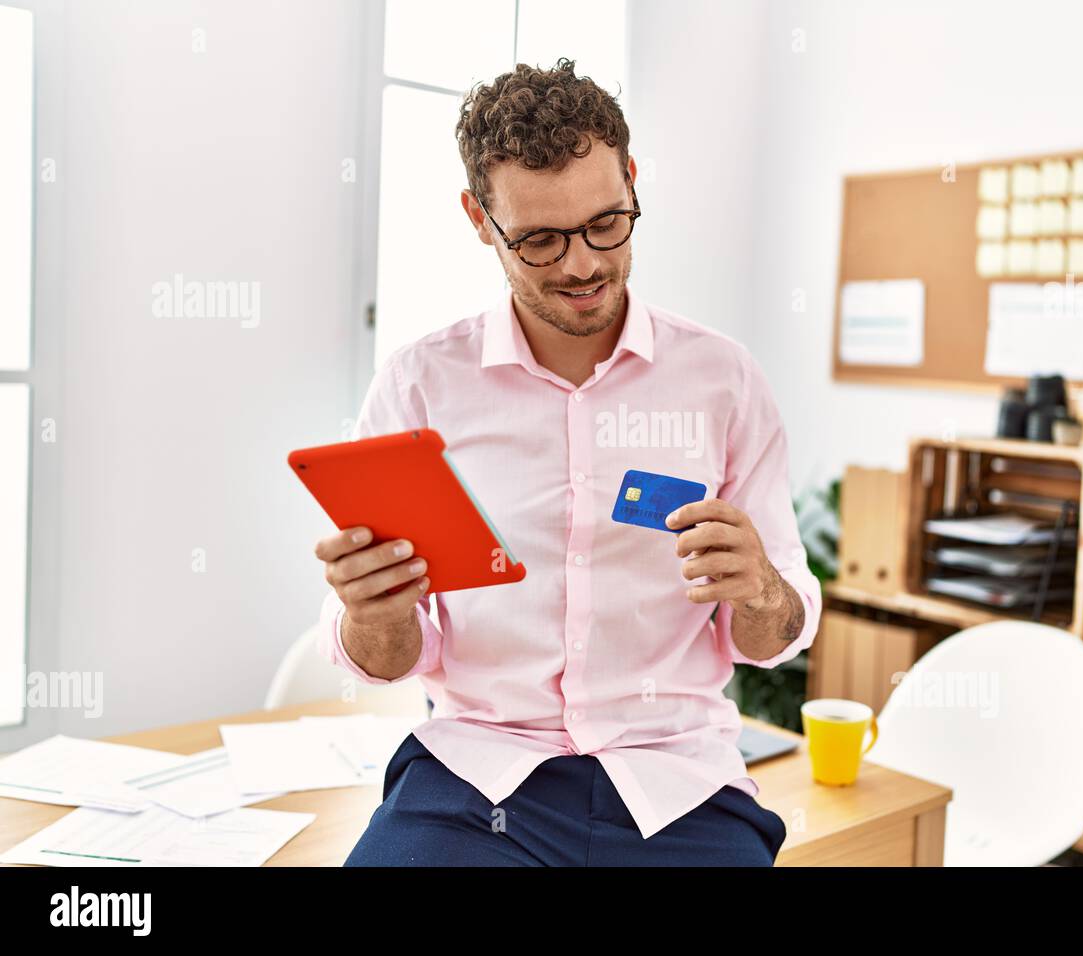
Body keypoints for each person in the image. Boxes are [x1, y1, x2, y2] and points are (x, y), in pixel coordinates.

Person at [313, 58, 820, 866]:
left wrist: (761, 589)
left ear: (631, 180)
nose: (584, 265)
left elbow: (774, 636)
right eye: (542, 240)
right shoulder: (419, 386)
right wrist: (371, 614)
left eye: (607, 224)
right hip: (476, 775)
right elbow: (390, 658)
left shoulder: (723, 381)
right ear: (480, 218)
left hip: (676, 780)